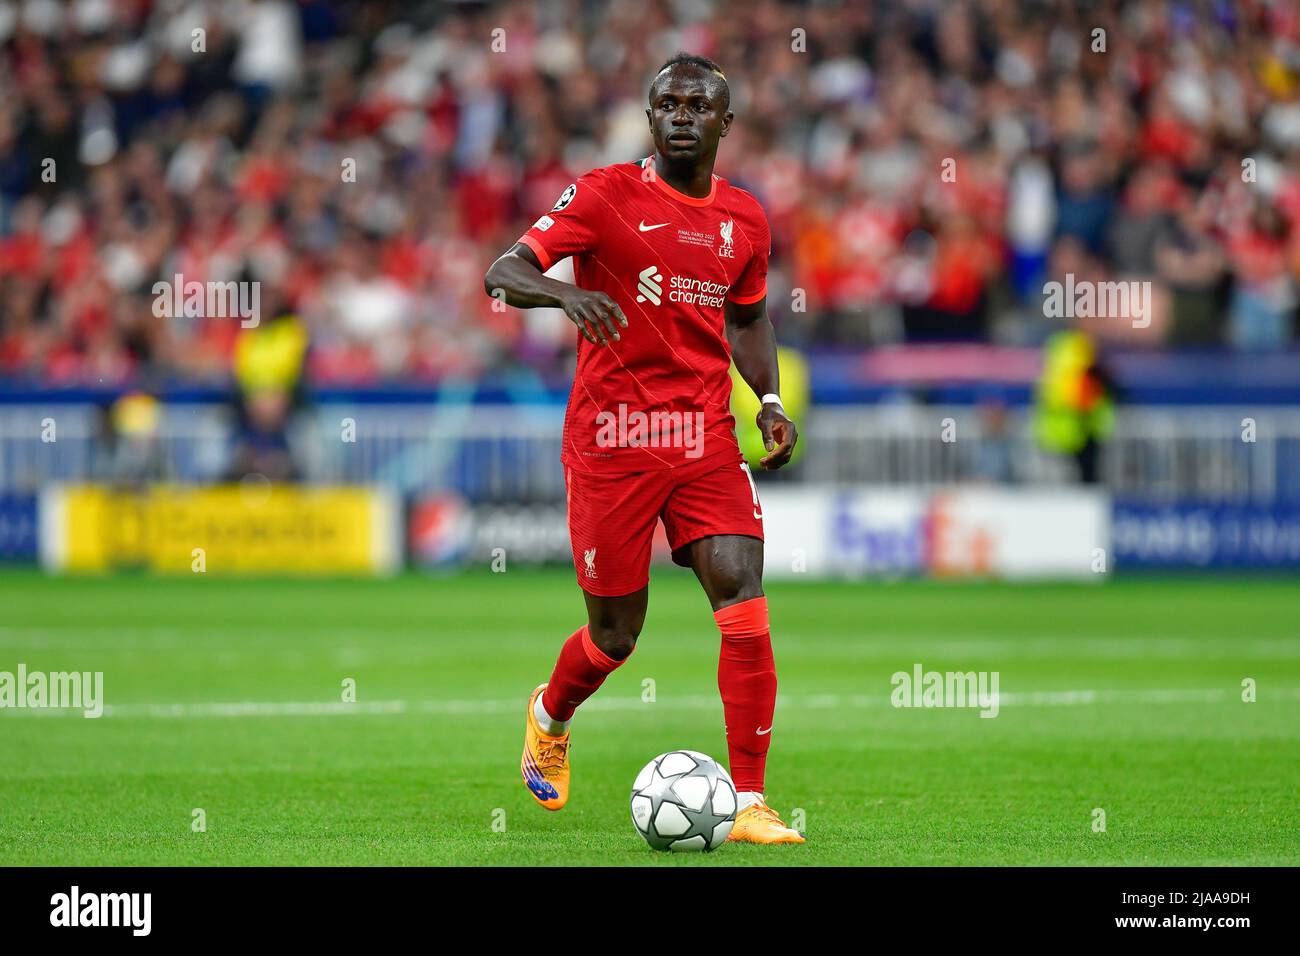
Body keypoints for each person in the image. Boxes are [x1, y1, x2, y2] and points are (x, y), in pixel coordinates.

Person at [483, 53, 803, 844]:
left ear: (725, 123)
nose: (683, 115)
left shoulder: (747, 220)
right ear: (650, 116)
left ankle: (753, 800)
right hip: (612, 440)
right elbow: (503, 272)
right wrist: (566, 293)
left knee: (744, 601)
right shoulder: (604, 195)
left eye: (700, 105)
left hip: (701, 437)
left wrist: (766, 401)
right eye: (669, 103)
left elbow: (749, 318)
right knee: (616, 637)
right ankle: (550, 714)